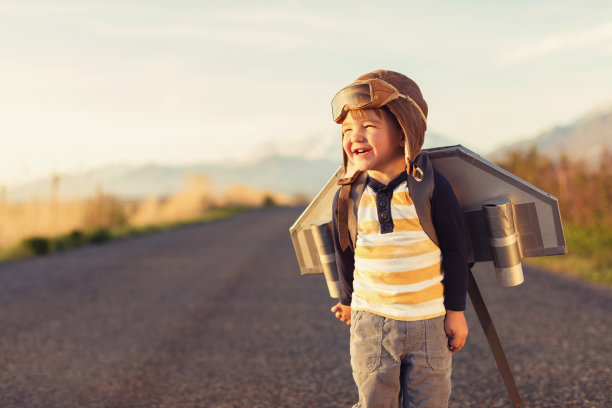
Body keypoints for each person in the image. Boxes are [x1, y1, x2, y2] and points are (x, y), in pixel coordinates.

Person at [329, 69, 469, 408]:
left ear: (404, 133)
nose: (355, 137)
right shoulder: (348, 195)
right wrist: (347, 299)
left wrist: (456, 311)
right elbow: (344, 252)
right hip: (371, 324)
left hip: (428, 323)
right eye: (347, 130)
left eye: (369, 127)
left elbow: (455, 252)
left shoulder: (430, 187)